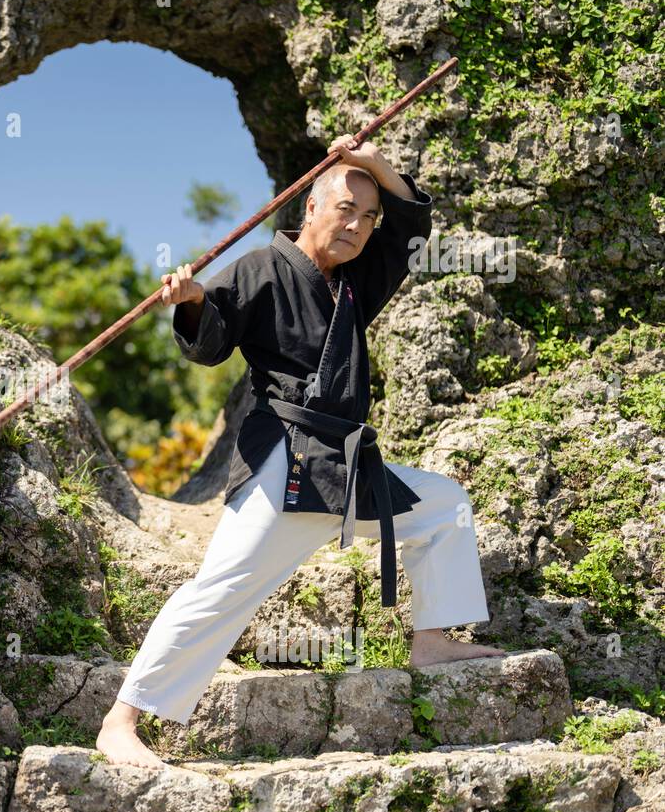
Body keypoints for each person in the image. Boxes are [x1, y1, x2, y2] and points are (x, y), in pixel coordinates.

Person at [95, 135, 505, 769]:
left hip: (345, 465)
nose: (356, 226)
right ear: (309, 208)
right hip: (285, 458)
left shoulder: (357, 283)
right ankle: (121, 722)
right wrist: (194, 300)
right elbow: (210, 344)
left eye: (366, 218)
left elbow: (410, 221)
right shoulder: (260, 267)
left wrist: (366, 159)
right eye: (344, 208)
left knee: (443, 505)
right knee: (223, 586)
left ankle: (430, 638)